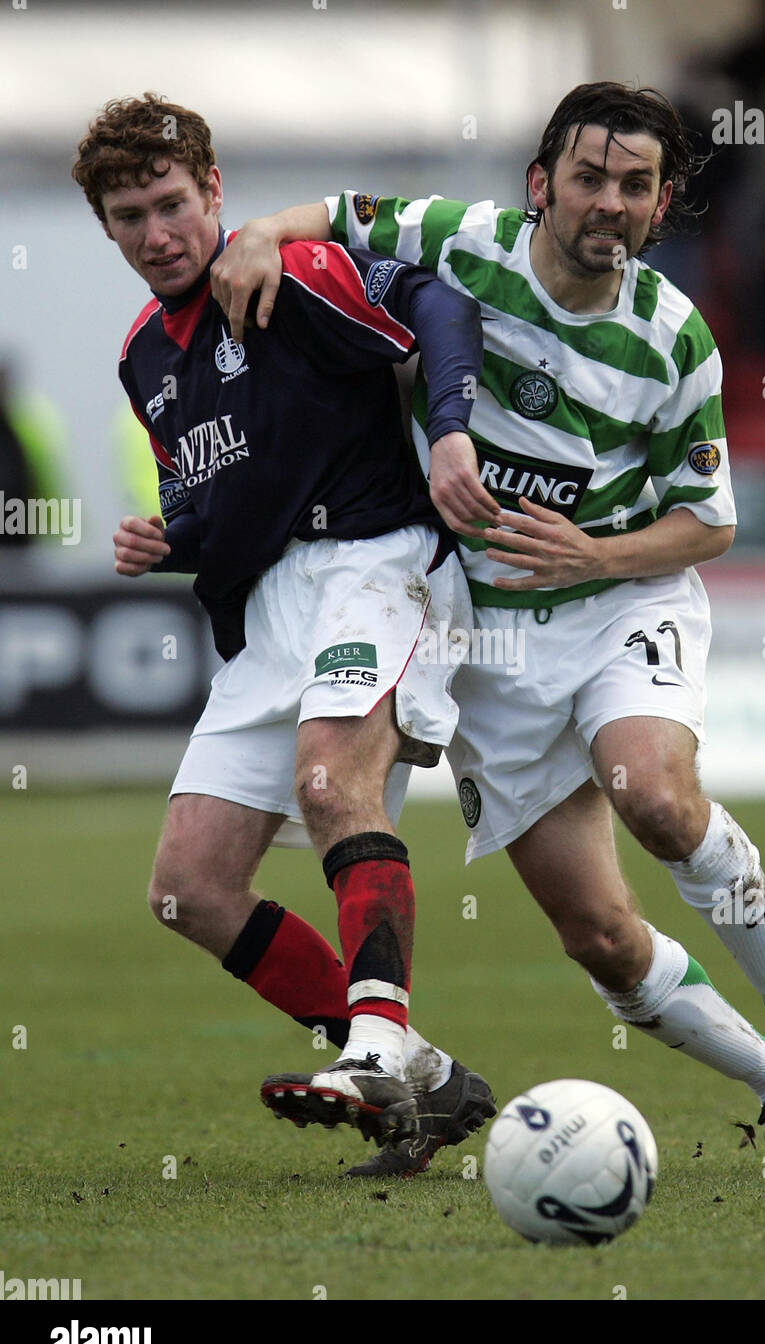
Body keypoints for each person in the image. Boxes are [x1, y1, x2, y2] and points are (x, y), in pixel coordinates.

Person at [211, 81, 765, 1177]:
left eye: (635, 186)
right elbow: (335, 214)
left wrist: (597, 556)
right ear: (541, 185)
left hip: (624, 601)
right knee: (602, 939)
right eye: (588, 178)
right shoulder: (465, 240)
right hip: (498, 650)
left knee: (656, 796)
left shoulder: (676, 341)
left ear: (661, 205)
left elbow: (707, 525)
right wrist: (248, 236)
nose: (608, 203)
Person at [71, 94, 496, 1165]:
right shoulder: (141, 359)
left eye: (172, 204)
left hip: (376, 562)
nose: (157, 234)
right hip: (267, 610)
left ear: (215, 190)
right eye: (130, 217)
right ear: (107, 228)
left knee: (329, 785)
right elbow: (226, 498)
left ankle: (374, 1048)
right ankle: (427, 1079)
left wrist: (448, 433)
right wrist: (167, 538)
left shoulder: (288, 273)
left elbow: (440, 303)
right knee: (188, 889)